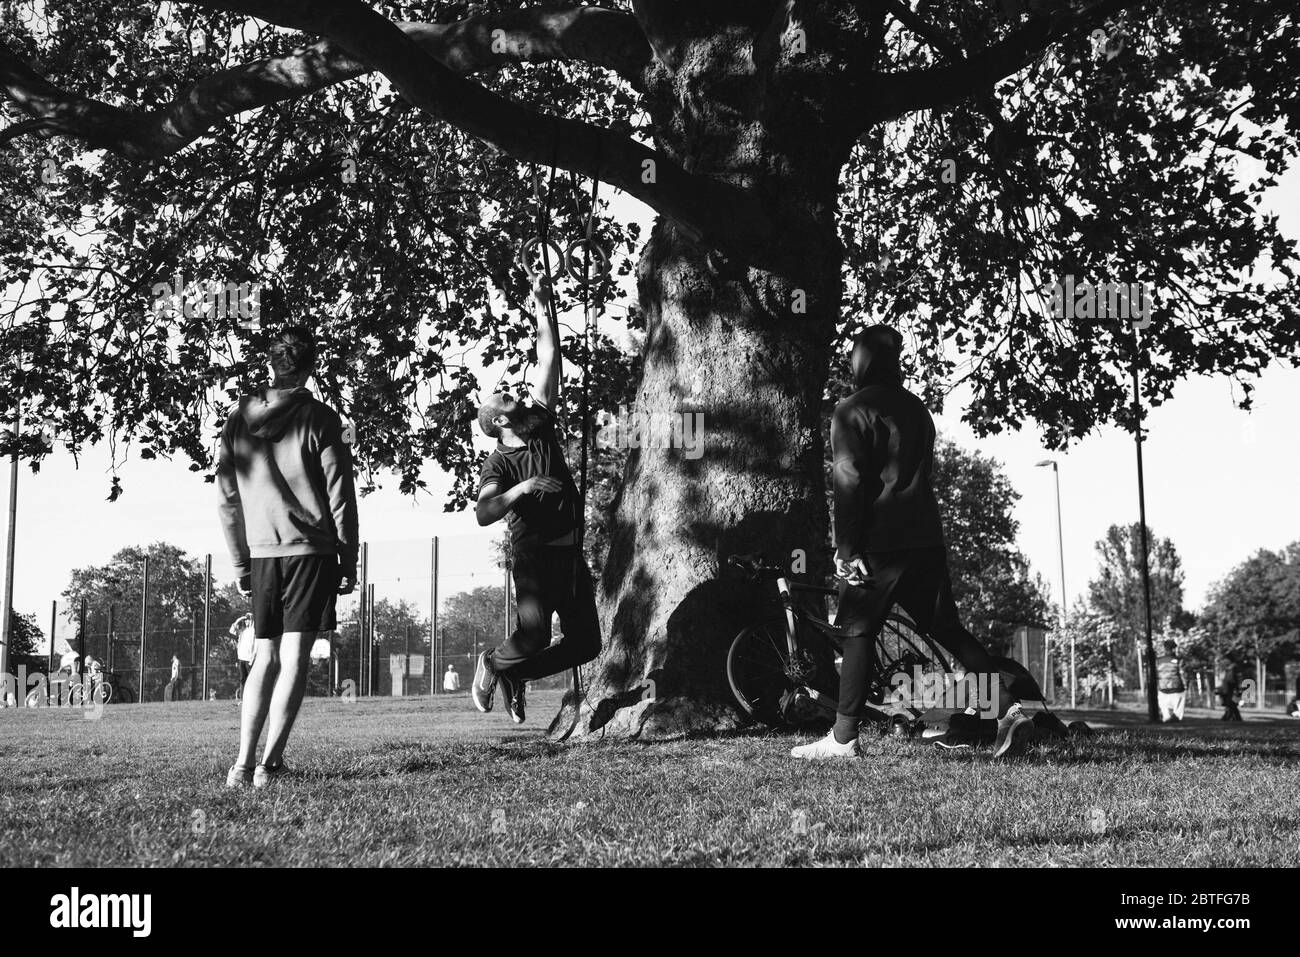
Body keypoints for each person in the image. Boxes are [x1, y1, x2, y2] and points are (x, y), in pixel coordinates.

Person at [791, 325, 1033, 761]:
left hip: (876, 544)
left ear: (860, 361)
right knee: (946, 629)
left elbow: (849, 478)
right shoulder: (917, 410)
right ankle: (1006, 709)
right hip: (924, 538)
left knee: (858, 631)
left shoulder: (851, 410)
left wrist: (846, 549)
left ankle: (844, 738)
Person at [218, 326, 358, 788]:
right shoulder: (322, 418)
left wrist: (240, 562)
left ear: (271, 364)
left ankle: (241, 764)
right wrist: (348, 556)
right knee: (296, 655)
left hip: (261, 552)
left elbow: (226, 497)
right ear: (310, 367)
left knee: (264, 655)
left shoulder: (237, 420)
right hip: (312, 550)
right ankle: (269, 765)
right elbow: (340, 493)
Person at [470, 278, 601, 724]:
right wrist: (521, 490)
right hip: (533, 560)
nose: (514, 392)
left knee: (587, 644)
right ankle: (493, 663)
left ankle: (515, 676)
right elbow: (485, 513)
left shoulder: (540, 425)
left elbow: (549, 360)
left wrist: (544, 308)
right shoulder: (497, 464)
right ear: (500, 419)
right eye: (506, 396)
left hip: (570, 556)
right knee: (533, 636)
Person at [1155, 639, 1186, 722]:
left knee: (1164, 707)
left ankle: (1166, 717)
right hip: (1177, 688)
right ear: (1173, 649)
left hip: (1162, 688)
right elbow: (1183, 674)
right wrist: (1185, 685)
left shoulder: (1158, 661)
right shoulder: (1179, 660)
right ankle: (1177, 718)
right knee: (1178, 708)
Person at [230, 612, 256, 688]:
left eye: (248, 620)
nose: (246, 621)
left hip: (249, 659)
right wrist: (239, 619)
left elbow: (256, 645)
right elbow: (231, 631)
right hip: (241, 658)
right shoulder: (242, 631)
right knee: (242, 679)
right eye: (246, 620)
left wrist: (253, 657)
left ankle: (251, 698)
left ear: (252, 620)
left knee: (251, 679)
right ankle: (243, 698)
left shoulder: (254, 631)